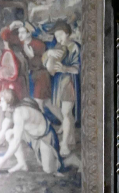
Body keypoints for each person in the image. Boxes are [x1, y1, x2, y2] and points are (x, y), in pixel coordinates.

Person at [45, 21, 81, 156]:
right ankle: (71, 138)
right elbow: (50, 69)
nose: (58, 38)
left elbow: (77, 69)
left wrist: (65, 68)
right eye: (56, 36)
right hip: (59, 82)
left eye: (60, 34)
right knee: (66, 113)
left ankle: (65, 144)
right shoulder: (57, 48)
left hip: (70, 82)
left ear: (67, 33)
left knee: (66, 112)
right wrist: (49, 54)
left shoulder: (75, 47)